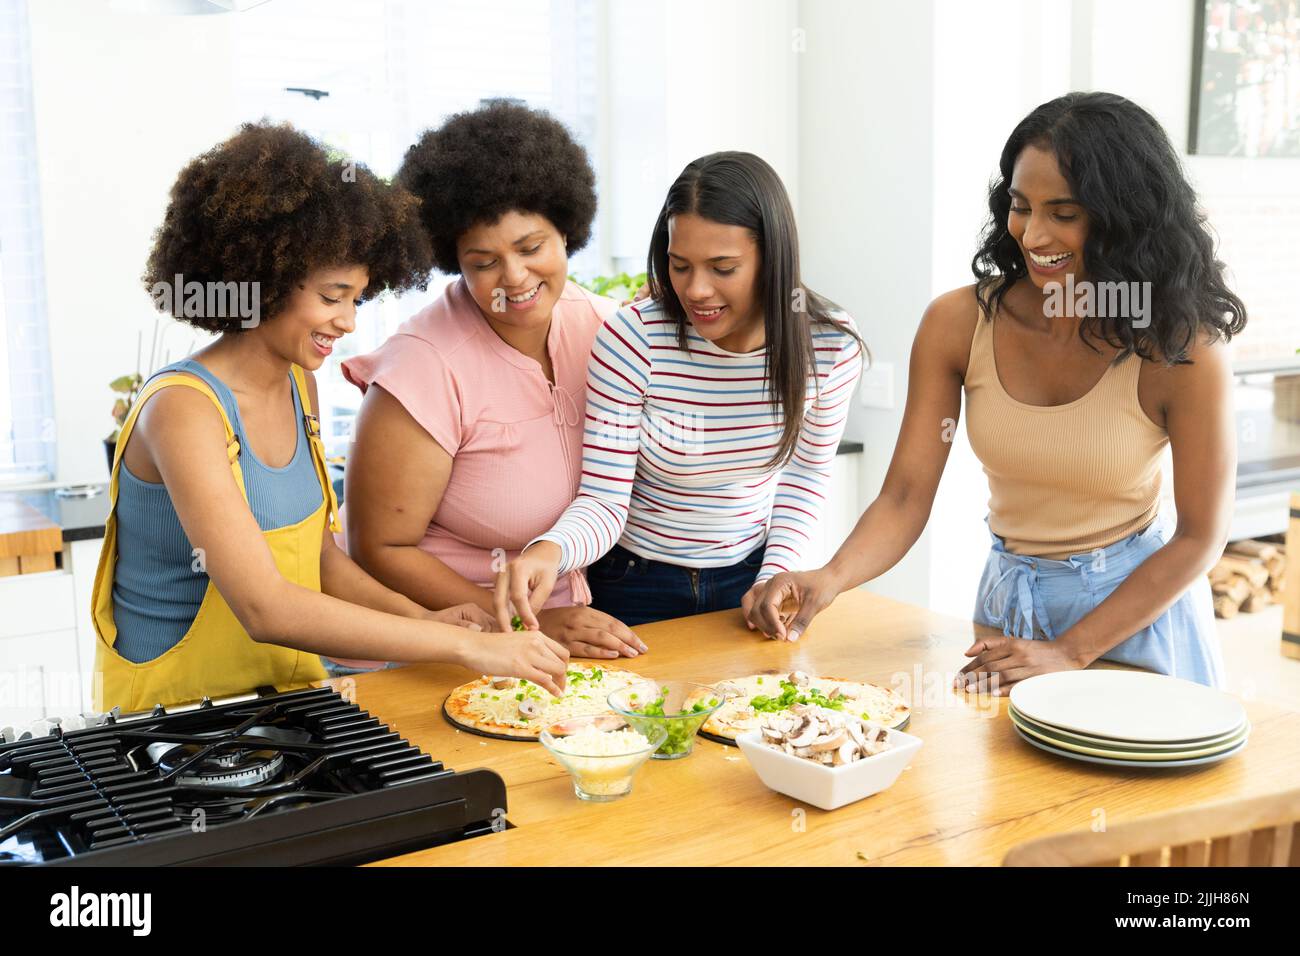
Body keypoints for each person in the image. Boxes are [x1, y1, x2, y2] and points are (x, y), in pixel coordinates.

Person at [749, 92, 1245, 691]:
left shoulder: (1181, 347)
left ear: (1126, 216)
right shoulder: (958, 323)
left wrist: (1070, 650)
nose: (1033, 234)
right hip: (1009, 612)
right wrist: (829, 577)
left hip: (1134, 620)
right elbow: (906, 496)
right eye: (1020, 206)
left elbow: (1201, 535)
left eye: (1063, 213)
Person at [92, 122, 569, 713]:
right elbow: (265, 606)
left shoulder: (299, 384)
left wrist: (430, 618)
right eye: (330, 296)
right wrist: (458, 646)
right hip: (174, 723)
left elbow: (319, 560)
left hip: (280, 705)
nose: (347, 322)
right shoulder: (183, 410)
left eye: (357, 299)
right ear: (260, 281)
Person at [494, 151, 866, 630]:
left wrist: (775, 575)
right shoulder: (634, 338)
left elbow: (805, 477)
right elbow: (605, 499)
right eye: (680, 266)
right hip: (634, 582)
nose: (696, 291)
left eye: (723, 268)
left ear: (774, 258)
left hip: (750, 580)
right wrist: (551, 551)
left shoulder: (829, 344)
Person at [338, 101, 644, 666]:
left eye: (532, 248)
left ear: (567, 231)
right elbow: (380, 547)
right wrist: (522, 623)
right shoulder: (424, 367)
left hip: (578, 631)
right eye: (484, 263)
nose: (516, 278)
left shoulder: (609, 330)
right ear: (454, 260)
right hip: (440, 644)